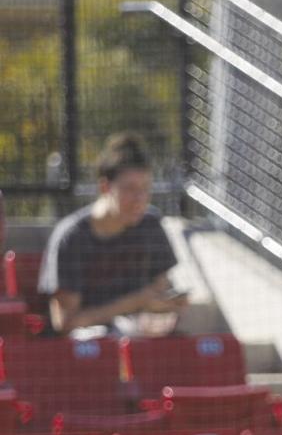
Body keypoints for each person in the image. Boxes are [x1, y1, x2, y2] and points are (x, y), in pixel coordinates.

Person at [38, 132, 188, 337]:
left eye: (145, 189)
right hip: (89, 348)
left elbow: (160, 288)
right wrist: (134, 303)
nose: (140, 199)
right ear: (105, 187)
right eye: (130, 189)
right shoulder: (71, 237)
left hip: (140, 333)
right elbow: (65, 322)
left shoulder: (151, 224)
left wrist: (166, 305)